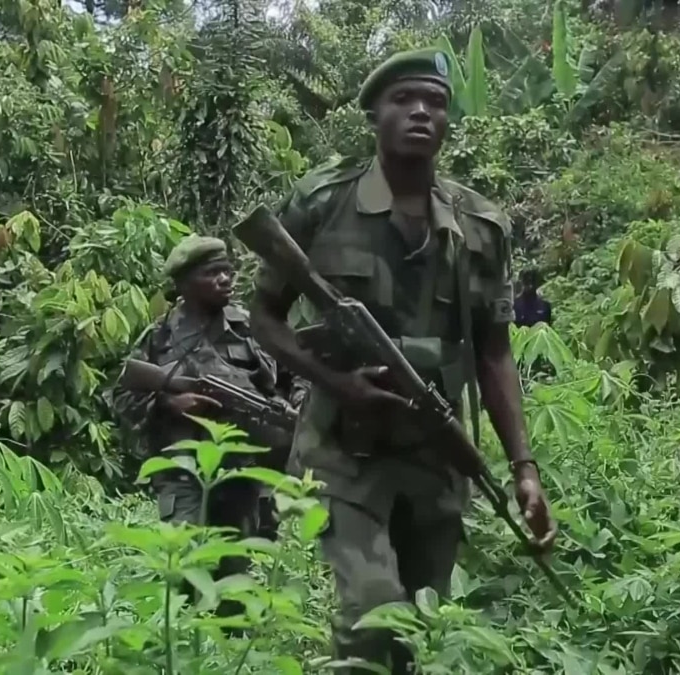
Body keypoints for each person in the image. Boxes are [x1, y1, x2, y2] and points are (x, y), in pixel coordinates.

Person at [246, 48, 559, 674]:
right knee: (369, 609)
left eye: (436, 102)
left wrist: (523, 466)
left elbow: (495, 352)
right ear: (373, 116)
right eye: (404, 100)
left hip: (435, 452)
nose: (422, 112)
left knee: (422, 621)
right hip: (344, 449)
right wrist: (340, 383)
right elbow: (263, 318)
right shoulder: (322, 200)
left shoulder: (480, 226)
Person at [110, 234, 297, 623]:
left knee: (235, 569)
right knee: (184, 563)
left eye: (228, 271)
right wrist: (170, 402)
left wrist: (286, 403)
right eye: (213, 273)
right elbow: (122, 398)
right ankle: (180, 643)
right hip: (183, 468)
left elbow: (290, 382)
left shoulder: (252, 329)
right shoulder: (160, 337)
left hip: (241, 466)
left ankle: (229, 649)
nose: (226, 279)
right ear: (184, 284)